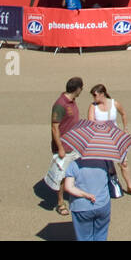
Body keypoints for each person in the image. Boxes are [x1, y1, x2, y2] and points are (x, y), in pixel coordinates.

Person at [88, 84, 131, 196]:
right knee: (105, 165)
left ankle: (130, 186)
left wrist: (125, 129)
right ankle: (106, 187)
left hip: (115, 138)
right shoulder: (93, 107)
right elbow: (90, 122)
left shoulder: (114, 103)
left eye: (95, 95)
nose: (94, 98)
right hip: (101, 139)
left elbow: (123, 114)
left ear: (102, 94)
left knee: (124, 162)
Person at [51, 77, 84, 216]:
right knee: (61, 176)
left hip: (74, 144)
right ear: (77, 89)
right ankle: (60, 203)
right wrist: (60, 148)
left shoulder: (72, 101)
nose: (82, 90)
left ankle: (73, 196)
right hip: (64, 146)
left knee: (75, 172)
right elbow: (54, 127)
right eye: (81, 88)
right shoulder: (60, 104)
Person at [63, 157, 113, 241]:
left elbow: (68, 187)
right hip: (103, 204)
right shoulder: (105, 161)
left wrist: (85, 195)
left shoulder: (74, 164)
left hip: (82, 207)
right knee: (101, 234)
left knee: (84, 237)